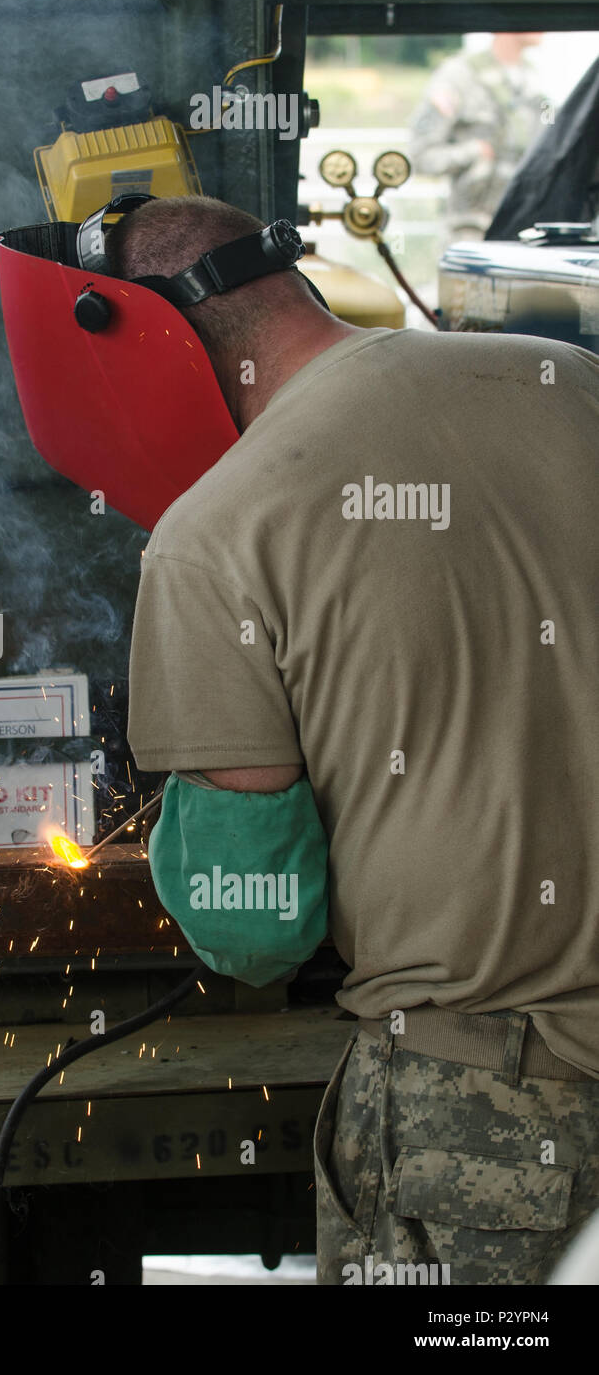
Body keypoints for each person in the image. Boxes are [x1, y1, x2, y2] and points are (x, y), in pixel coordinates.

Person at [86, 193, 598, 1286]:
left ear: (154, 348)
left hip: (487, 1119)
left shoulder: (216, 532)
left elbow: (256, 922)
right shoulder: (567, 382)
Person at [410, 32, 549, 245]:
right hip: (472, 234)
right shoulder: (458, 76)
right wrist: (475, 152)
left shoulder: (535, 79)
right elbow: (422, 156)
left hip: (526, 231)